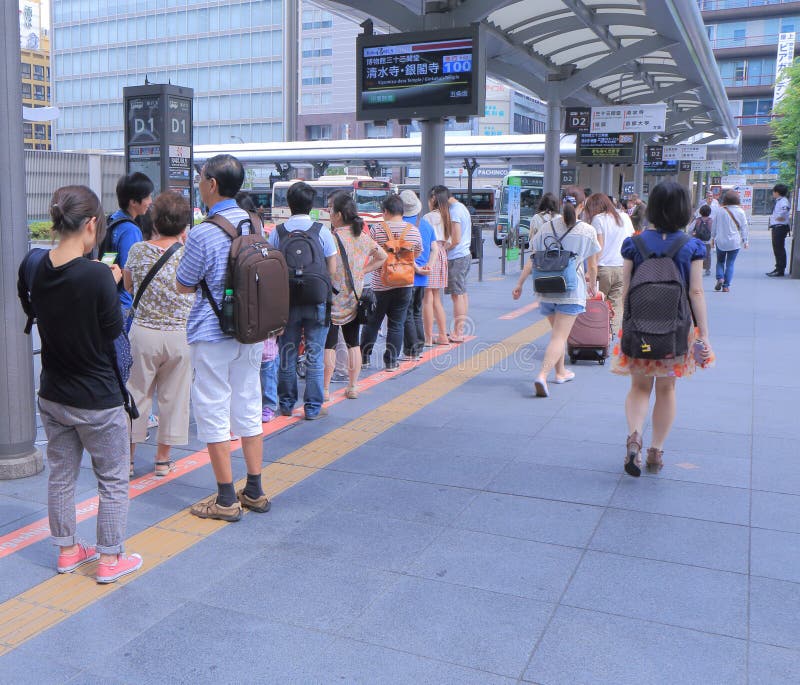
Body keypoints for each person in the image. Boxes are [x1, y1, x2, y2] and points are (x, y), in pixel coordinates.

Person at [23, 185, 143, 583]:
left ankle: (68, 551)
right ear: (92, 224)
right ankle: (109, 559)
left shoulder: (34, 265)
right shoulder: (96, 276)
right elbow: (115, 333)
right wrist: (111, 286)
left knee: (61, 474)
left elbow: (34, 309)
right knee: (112, 478)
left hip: (53, 393)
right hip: (97, 398)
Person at [176, 154, 270, 521]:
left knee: (213, 407)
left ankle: (226, 499)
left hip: (213, 333)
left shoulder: (203, 232)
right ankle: (256, 489)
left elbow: (184, 284)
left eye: (201, 178)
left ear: (212, 184)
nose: (199, 183)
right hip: (251, 331)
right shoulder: (254, 224)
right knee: (248, 401)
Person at [612, 181, 713, 476]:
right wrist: (703, 333)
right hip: (675, 332)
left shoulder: (635, 243)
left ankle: (634, 437)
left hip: (640, 329)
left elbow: (627, 289)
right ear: (685, 210)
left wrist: (625, 324)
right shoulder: (691, 246)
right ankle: (656, 449)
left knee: (639, 387)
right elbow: (696, 293)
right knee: (667, 389)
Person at [124, 192, 193, 478]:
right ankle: (162, 461)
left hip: (143, 333)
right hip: (180, 334)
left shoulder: (138, 250)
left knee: (135, 395)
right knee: (174, 398)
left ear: (154, 220)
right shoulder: (189, 253)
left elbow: (128, 286)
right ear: (185, 225)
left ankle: (126, 461)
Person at [512, 187, 600, 398]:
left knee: (557, 335)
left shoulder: (547, 227)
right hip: (570, 289)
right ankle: (542, 375)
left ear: (562, 204)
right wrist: (593, 285)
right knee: (559, 337)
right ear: (582, 205)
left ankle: (560, 372)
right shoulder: (587, 231)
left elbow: (534, 257)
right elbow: (593, 265)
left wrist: (520, 283)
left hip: (546, 288)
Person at [268, 181, 338, 419]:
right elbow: (332, 268)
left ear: (288, 204)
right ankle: (312, 408)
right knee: (314, 354)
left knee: (287, 353)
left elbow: (271, 268)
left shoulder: (277, 233)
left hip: (287, 302)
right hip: (316, 300)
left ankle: (286, 404)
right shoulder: (322, 231)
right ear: (312, 205)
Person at [323, 191, 386, 399]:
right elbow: (382, 257)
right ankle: (352, 387)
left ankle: (324, 390)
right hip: (355, 297)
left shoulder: (332, 237)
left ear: (339, 215)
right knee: (353, 342)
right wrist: (363, 271)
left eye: (331, 210)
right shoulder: (363, 237)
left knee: (329, 344)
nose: (329, 213)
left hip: (333, 297)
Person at [360, 194, 422, 371]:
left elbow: (371, 252)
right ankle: (391, 361)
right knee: (397, 323)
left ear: (385, 211)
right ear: (402, 211)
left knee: (373, 321)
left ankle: (364, 357)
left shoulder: (377, 229)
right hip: (404, 284)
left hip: (380, 284)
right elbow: (416, 253)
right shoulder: (413, 231)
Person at [234, 191, 279, 422]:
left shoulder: (242, 230)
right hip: (264, 301)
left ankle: (264, 403)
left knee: (261, 357)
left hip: (250, 301)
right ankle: (267, 404)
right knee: (266, 357)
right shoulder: (260, 231)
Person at [584, 193, 633, 336]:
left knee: (598, 304)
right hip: (622, 268)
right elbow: (631, 240)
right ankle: (610, 334)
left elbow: (598, 246)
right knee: (617, 305)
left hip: (603, 269)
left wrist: (590, 271)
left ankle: (598, 334)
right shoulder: (624, 217)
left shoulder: (598, 220)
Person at [105, 172, 154, 310]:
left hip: (111, 295)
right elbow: (132, 271)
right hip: (124, 302)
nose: (150, 201)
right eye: (147, 197)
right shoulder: (130, 230)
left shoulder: (113, 219)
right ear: (133, 202)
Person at [400, 189, 437, 360]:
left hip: (406, 276)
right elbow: (435, 248)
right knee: (416, 311)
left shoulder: (400, 224)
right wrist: (428, 266)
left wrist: (416, 268)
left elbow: (405, 252)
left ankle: (411, 349)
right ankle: (419, 345)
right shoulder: (425, 223)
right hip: (423, 277)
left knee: (406, 313)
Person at [438, 185, 472, 342]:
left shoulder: (454, 211)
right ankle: (460, 329)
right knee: (462, 293)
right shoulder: (461, 207)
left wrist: (441, 248)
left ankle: (458, 332)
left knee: (456, 295)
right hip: (464, 255)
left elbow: (456, 239)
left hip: (456, 257)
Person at [422, 187, 452, 346]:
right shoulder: (446, 216)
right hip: (442, 254)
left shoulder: (428, 217)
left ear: (433, 199)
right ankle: (442, 335)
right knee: (437, 298)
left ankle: (427, 338)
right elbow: (450, 242)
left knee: (427, 298)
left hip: (430, 255)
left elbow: (424, 241)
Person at [711, 188, 749, 293]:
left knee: (720, 261)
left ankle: (720, 278)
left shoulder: (720, 211)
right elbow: (744, 227)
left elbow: (714, 226)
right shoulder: (741, 211)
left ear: (725, 200)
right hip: (734, 242)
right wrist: (746, 241)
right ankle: (726, 286)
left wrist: (712, 237)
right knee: (730, 263)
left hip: (721, 241)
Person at [767, 183, 791, 277]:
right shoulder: (780, 200)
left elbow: (785, 210)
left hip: (780, 227)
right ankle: (778, 268)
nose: (773, 193)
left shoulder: (783, 201)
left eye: (774, 191)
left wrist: (779, 217)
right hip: (777, 227)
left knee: (779, 249)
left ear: (777, 192)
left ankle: (780, 269)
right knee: (777, 249)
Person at [690, 204, 713, 276]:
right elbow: (714, 231)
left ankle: (697, 268)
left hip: (697, 241)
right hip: (707, 241)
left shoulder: (697, 220)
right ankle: (707, 269)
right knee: (708, 255)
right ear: (709, 212)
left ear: (700, 212)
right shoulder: (711, 221)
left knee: (697, 255)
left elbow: (690, 229)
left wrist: (692, 235)